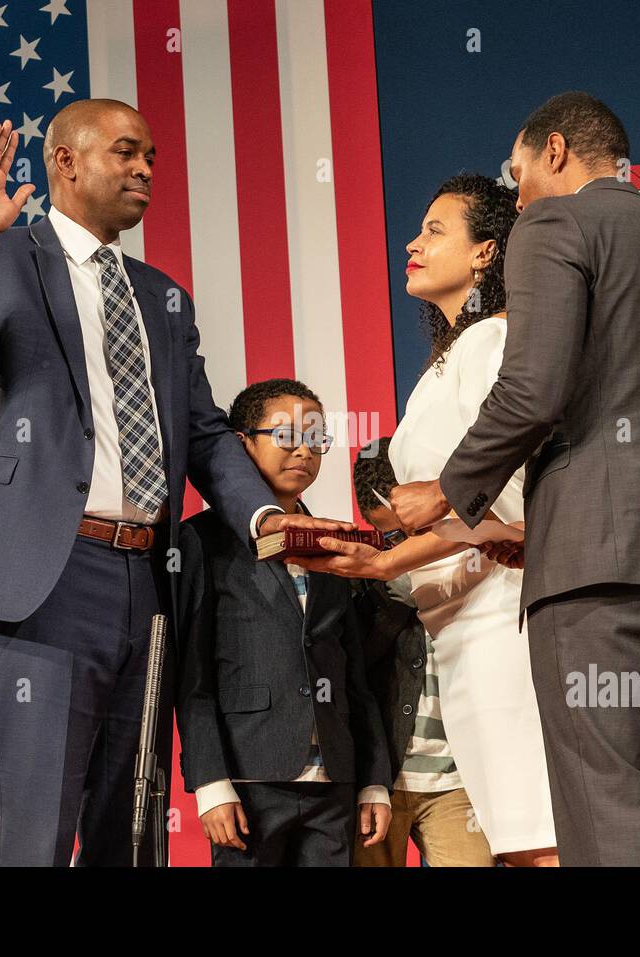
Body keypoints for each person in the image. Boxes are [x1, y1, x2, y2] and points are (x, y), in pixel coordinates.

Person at [0, 100, 349, 866]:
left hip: (149, 579)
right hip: (45, 576)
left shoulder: (163, 295)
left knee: (131, 832)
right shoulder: (2, 261)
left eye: (154, 158)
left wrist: (264, 516)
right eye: (127, 152)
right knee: (36, 831)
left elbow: (203, 432)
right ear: (65, 162)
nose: (144, 170)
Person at [390, 91, 640, 866]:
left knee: (603, 795)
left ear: (555, 152)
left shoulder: (556, 224)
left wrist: (444, 489)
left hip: (595, 566)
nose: (515, 199)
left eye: (517, 175)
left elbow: (534, 389)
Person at [293, 174, 558, 866]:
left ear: (483, 255)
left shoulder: (491, 341)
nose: (412, 242)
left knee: (538, 843)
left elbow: (509, 505)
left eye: (436, 230)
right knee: (517, 844)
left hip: (502, 621)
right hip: (461, 633)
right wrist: (381, 560)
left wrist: (388, 558)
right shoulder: (446, 360)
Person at [175, 380, 391, 866]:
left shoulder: (337, 542)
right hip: (248, 781)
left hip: (334, 783)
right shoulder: (201, 542)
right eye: (287, 435)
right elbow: (191, 676)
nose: (303, 451)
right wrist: (210, 783)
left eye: (316, 439)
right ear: (241, 442)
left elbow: (354, 677)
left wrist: (373, 779)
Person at [348, 438, 496, 867]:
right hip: (379, 783)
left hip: (457, 779)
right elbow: (353, 671)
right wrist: (393, 591)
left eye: (417, 533)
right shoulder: (363, 582)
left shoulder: (482, 558)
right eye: (393, 536)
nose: (408, 546)